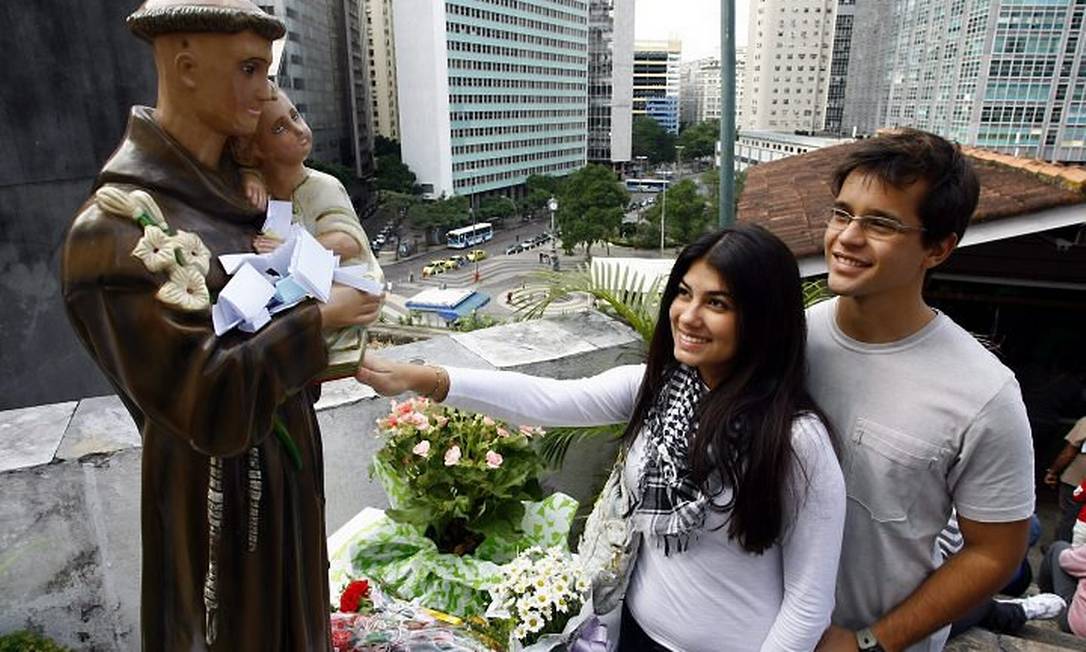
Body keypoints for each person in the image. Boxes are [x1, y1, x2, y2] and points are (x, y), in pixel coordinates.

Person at [60, 1, 382, 649]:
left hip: (287, 483)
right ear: (184, 66)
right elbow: (205, 402)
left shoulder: (247, 200)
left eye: (266, 71)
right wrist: (317, 321)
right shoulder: (119, 229)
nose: (266, 93)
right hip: (217, 510)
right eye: (249, 69)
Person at [357, 225, 847, 651]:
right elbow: (546, 400)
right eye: (683, 292)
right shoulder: (658, 391)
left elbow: (808, 603)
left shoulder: (797, 441)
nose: (688, 315)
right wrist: (421, 378)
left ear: (763, 320)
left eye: (716, 303)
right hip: (631, 636)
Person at [808, 129, 1035, 652]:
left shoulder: (983, 394)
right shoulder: (790, 340)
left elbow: (995, 553)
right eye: (842, 214)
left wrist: (869, 642)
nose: (846, 237)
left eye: (881, 223)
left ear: (937, 247)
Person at [236, 89, 383, 371]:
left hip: (342, 280)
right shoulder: (261, 189)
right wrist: (249, 175)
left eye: (295, 116)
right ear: (254, 149)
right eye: (280, 128)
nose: (299, 130)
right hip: (296, 288)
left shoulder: (322, 186)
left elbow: (349, 241)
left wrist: (287, 250)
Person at [1044, 416, 1086, 542]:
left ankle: (1060, 553)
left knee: (1069, 518)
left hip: (1076, 481)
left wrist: (1053, 471)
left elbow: (1069, 452)